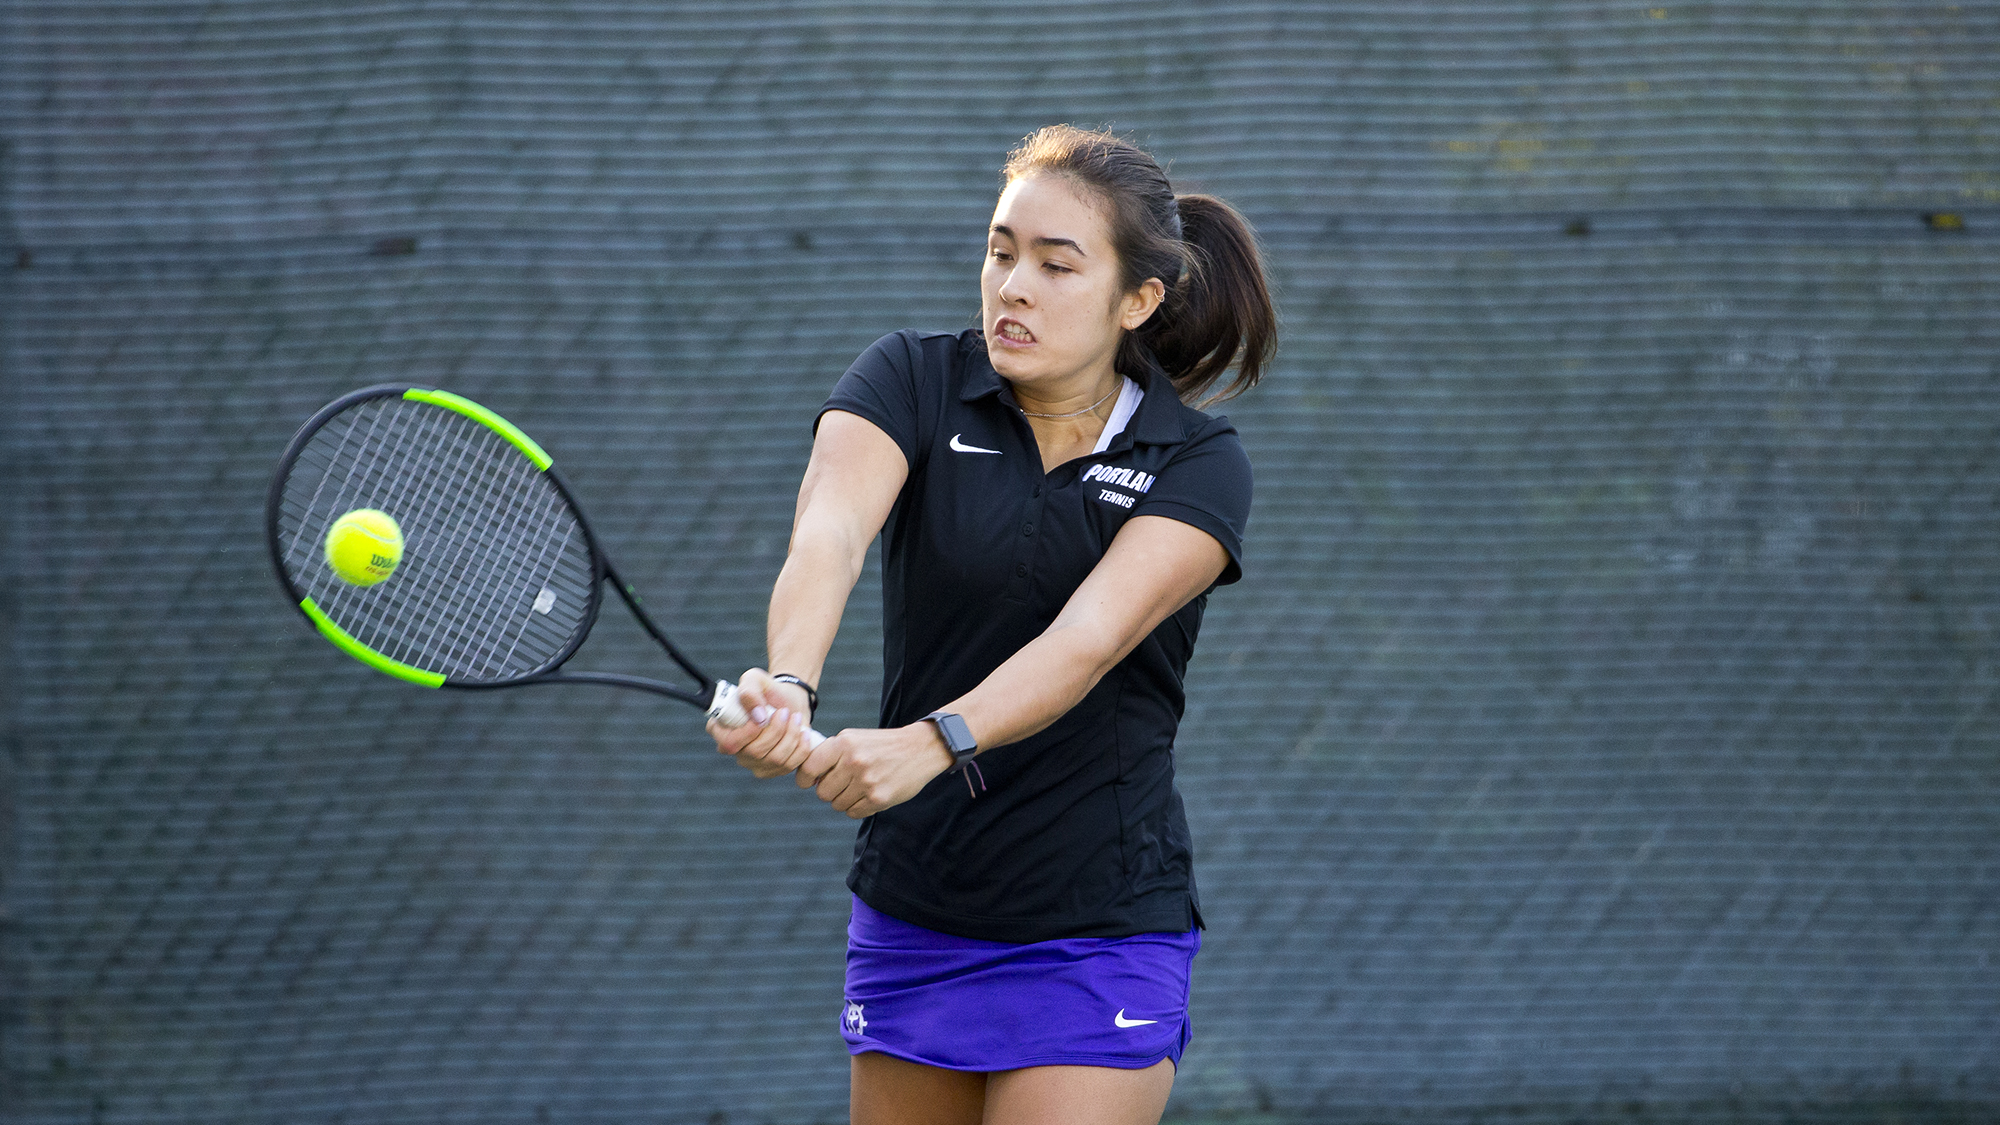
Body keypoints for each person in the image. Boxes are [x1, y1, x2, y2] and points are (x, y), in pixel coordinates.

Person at [708, 124, 1276, 1125]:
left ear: (1134, 300)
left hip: (1099, 926)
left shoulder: (1195, 463)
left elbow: (1086, 640)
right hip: (917, 910)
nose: (1013, 286)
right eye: (1000, 250)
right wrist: (788, 686)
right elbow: (829, 535)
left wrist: (932, 743)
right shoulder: (909, 381)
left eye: (1057, 265)